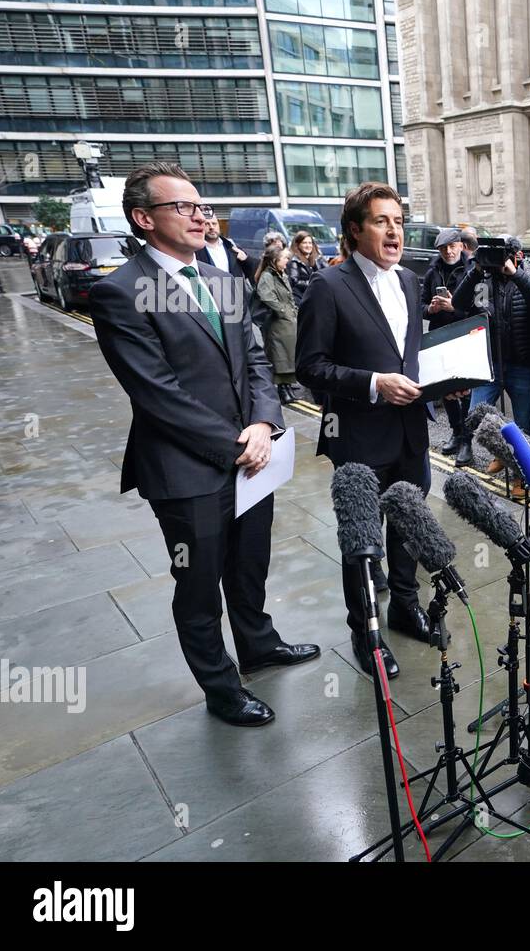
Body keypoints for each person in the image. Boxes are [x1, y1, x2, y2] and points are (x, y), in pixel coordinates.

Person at [89, 161, 318, 727]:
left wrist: (265, 425)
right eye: (183, 206)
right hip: (186, 470)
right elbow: (157, 394)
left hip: (252, 455)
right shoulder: (119, 293)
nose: (201, 214)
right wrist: (236, 445)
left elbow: (259, 361)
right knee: (198, 584)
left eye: (201, 204)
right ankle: (222, 688)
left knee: (249, 564)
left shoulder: (224, 281)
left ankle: (259, 644)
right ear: (144, 218)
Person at [296, 182, 435, 680]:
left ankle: (404, 605)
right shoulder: (328, 287)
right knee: (361, 540)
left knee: (407, 526)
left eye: (398, 220)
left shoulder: (411, 281)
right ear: (355, 231)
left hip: (411, 433)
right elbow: (309, 366)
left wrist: (442, 384)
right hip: (357, 436)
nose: (394, 230)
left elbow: (409, 355)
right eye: (381, 221)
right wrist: (374, 384)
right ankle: (365, 631)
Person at [451, 234, 530, 441]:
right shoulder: (483, 281)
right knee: (475, 417)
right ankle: (501, 451)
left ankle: (520, 466)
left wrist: (516, 274)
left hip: (521, 364)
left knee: (524, 424)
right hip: (490, 364)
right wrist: (475, 273)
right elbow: (459, 304)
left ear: (517, 256)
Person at [421, 228, 474, 466]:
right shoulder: (433, 272)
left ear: (461, 246)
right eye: (443, 248)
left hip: (464, 337)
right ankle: (455, 432)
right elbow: (420, 305)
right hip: (440, 336)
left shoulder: (473, 271)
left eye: (452, 246)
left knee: (465, 390)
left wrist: (455, 307)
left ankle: (467, 441)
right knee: (447, 389)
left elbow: (481, 310)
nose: (448, 251)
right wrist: (430, 310)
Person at [253, 245, 300, 404]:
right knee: (279, 357)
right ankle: (282, 390)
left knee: (288, 357)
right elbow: (266, 297)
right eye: (285, 258)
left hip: (286, 323)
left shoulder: (281, 274)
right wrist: (283, 311)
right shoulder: (267, 276)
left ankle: (287, 388)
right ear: (275, 259)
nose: (288, 261)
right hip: (277, 324)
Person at [198, 217, 257, 283]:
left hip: (234, 291)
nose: (211, 227)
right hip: (211, 291)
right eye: (207, 224)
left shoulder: (232, 247)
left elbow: (252, 270)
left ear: (218, 225)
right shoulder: (195, 251)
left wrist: (246, 259)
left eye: (214, 224)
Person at [287, 230, 327, 305]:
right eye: (304, 243)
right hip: (303, 299)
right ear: (298, 245)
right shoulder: (293, 261)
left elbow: (328, 273)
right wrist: (315, 283)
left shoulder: (318, 258)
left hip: (319, 297)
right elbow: (294, 282)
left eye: (310, 243)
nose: (308, 245)